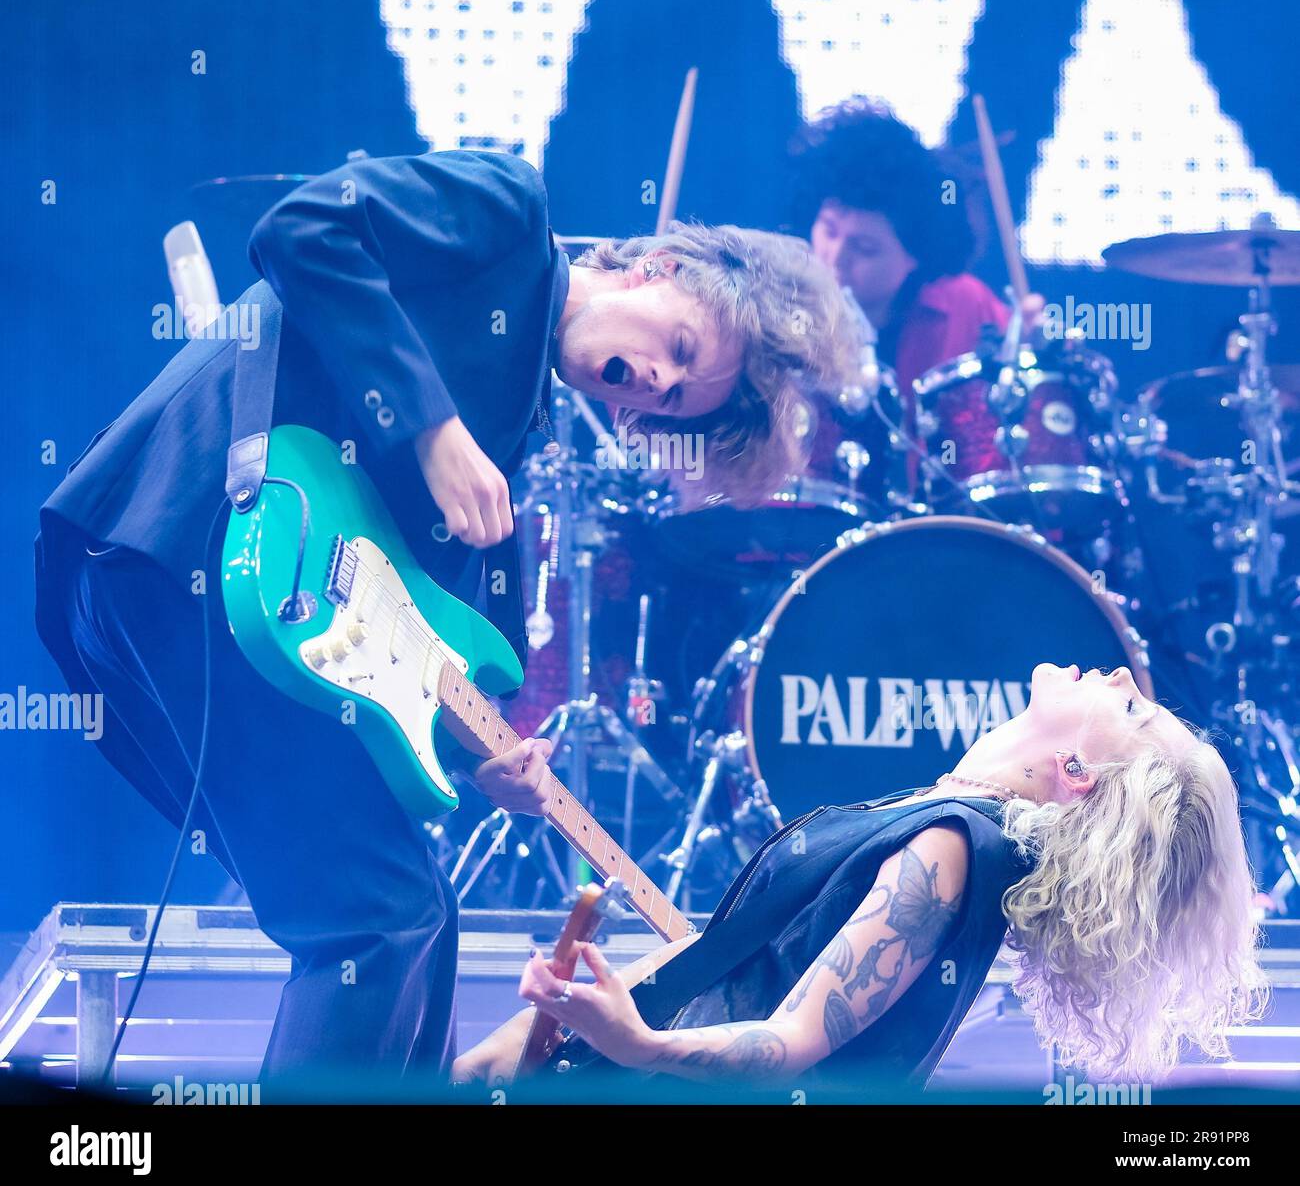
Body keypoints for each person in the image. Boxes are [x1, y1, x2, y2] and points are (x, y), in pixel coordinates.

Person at [33, 149, 854, 1095]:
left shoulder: (520, 419)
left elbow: (409, 622)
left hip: (243, 611)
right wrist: (432, 430)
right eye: (678, 348)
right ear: (658, 270)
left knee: (415, 916)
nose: (650, 381)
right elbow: (303, 228)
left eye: (670, 396)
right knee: (374, 920)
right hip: (174, 541)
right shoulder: (508, 215)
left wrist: (477, 756)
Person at [456, 663, 1268, 1093]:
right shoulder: (954, 820)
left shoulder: (949, 853)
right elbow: (730, 960)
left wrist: (634, 1042)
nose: (1125, 682)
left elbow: (790, 1045)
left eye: (1133, 715)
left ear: (1076, 771)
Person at [789, 96, 1041, 407]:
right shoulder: (781, 306)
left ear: (916, 256)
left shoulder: (965, 304)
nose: (836, 257)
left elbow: (1029, 379)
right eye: (828, 231)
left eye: (865, 249)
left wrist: (1034, 354)